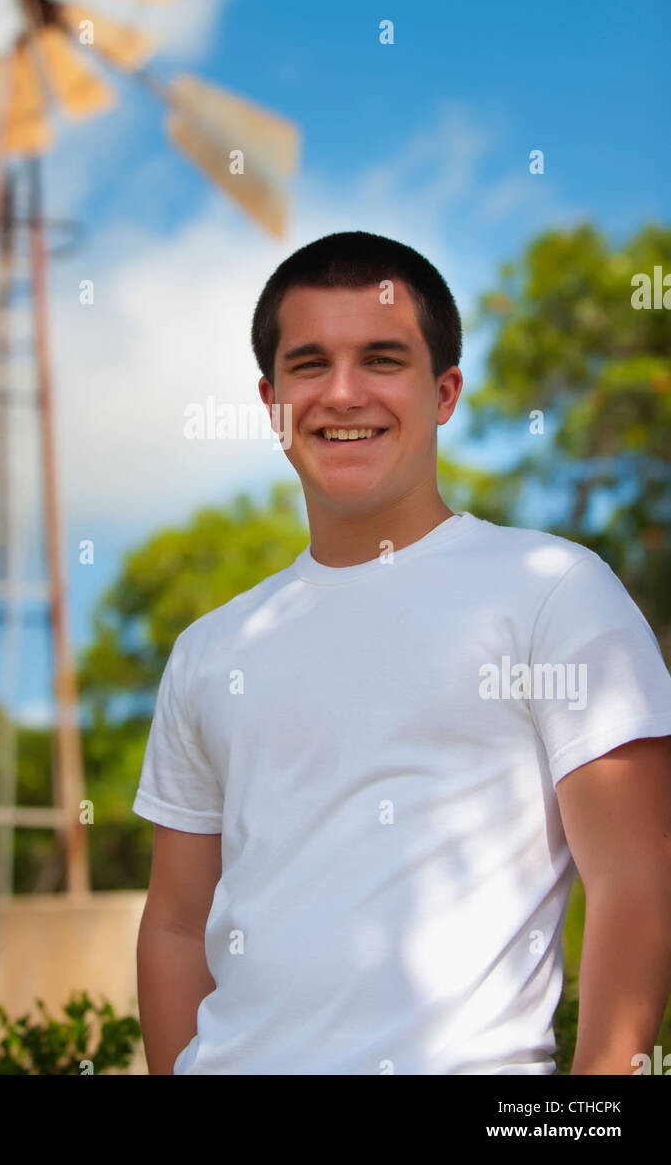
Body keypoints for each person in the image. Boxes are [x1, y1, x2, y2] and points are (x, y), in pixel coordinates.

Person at [132, 230, 671, 1075]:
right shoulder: (210, 650)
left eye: (381, 359)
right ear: (271, 399)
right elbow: (172, 921)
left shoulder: (553, 591)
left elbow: (637, 877)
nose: (342, 393)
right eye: (309, 365)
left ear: (444, 391)